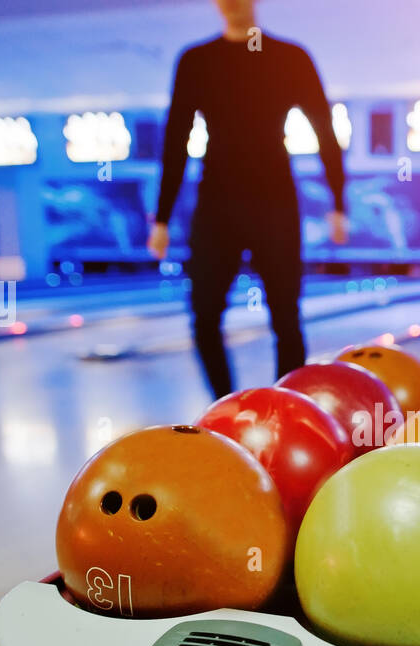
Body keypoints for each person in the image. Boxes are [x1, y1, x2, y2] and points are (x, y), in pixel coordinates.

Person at [147, 0, 348, 398]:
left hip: (275, 202)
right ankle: (224, 406)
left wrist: (339, 202)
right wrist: (162, 218)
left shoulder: (289, 57)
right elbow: (176, 138)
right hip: (216, 204)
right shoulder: (196, 60)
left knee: (286, 317)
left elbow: (324, 130)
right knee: (204, 317)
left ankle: (286, 406)